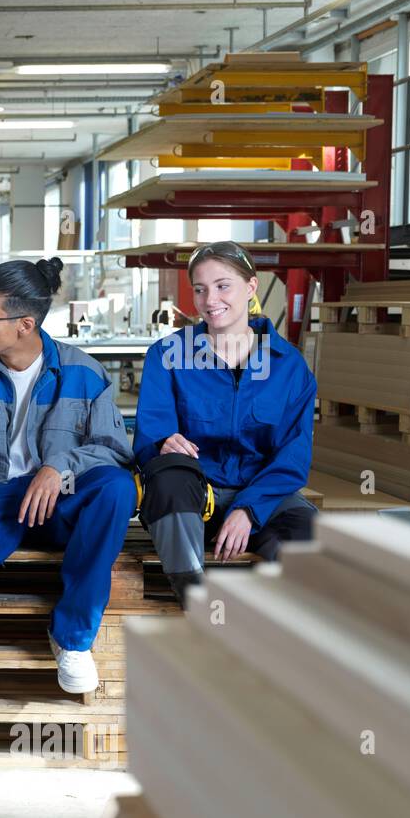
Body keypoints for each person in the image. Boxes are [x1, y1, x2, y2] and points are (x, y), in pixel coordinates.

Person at [0, 257, 137, 780]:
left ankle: (73, 635)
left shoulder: (84, 372)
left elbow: (111, 448)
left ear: (25, 325)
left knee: (116, 490)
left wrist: (59, 467)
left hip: (59, 498)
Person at [133, 241, 317, 604]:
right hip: (191, 498)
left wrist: (249, 510)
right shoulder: (167, 356)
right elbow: (148, 436)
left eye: (222, 286)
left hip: (263, 496)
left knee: (313, 536)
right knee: (169, 476)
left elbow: (293, 457)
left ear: (250, 288)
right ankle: (196, 600)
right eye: (199, 289)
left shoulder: (289, 366)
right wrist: (162, 443)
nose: (209, 299)